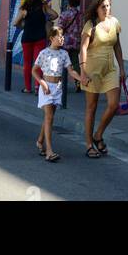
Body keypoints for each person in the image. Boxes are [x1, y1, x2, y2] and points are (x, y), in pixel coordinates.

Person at [79, 0, 125, 159]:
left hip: (110, 69)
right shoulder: (90, 25)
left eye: (108, 5)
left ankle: (98, 134)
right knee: (91, 107)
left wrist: (122, 68)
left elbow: (117, 47)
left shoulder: (114, 22)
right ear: (97, 9)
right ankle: (89, 144)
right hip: (92, 70)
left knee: (113, 105)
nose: (107, 9)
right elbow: (83, 48)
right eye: (103, 7)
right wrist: (83, 72)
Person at [32, 24, 84, 161]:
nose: (62, 39)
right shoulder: (44, 53)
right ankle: (49, 151)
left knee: (49, 117)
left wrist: (81, 78)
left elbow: (71, 70)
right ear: (51, 38)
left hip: (58, 87)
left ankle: (39, 140)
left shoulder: (64, 54)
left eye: (63, 36)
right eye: (59, 36)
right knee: (49, 117)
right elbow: (34, 70)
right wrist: (42, 83)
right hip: (46, 86)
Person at [13, 0, 55, 95]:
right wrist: (47, 19)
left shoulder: (24, 9)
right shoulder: (43, 7)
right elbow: (55, 15)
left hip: (27, 38)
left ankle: (28, 88)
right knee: (38, 63)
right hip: (40, 38)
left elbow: (15, 23)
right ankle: (37, 87)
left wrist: (22, 25)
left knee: (27, 64)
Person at [58, 0, 83, 91]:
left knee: (62, 62)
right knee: (75, 62)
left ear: (69, 3)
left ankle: (60, 84)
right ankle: (78, 83)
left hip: (66, 42)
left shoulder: (65, 14)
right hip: (76, 41)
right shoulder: (81, 15)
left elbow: (59, 28)